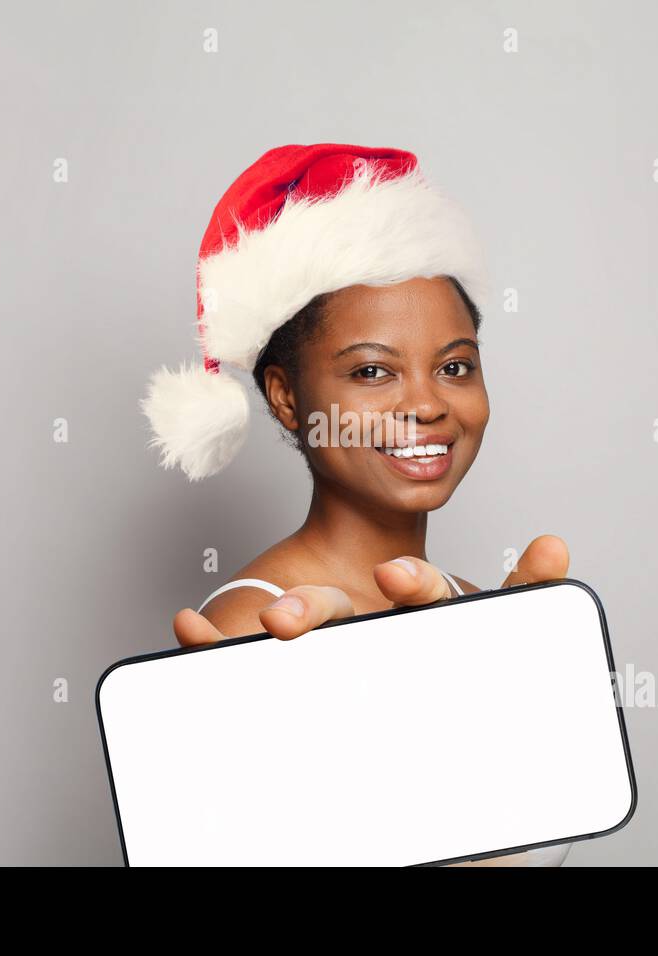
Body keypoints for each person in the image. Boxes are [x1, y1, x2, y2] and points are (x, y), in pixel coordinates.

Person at [142, 143, 574, 866]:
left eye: (455, 366)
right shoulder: (261, 626)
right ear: (286, 397)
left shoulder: (473, 610)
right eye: (373, 371)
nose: (428, 403)